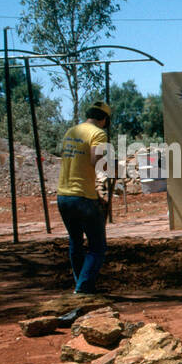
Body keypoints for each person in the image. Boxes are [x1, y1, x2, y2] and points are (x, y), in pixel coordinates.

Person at [55, 101, 111, 294]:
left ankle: (80, 286)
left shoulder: (71, 131)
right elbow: (97, 161)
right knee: (97, 247)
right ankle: (83, 290)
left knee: (76, 242)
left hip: (63, 196)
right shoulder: (98, 133)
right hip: (83, 198)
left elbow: (77, 165)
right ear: (104, 119)